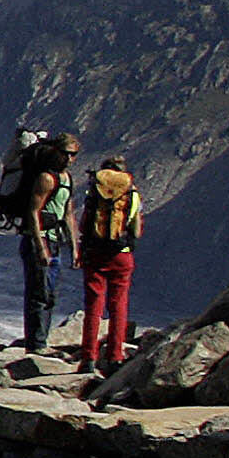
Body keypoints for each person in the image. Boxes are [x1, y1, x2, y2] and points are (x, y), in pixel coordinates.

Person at [6, 130, 79, 350]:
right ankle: (36, 343)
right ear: (56, 151)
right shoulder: (46, 178)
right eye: (66, 153)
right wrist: (40, 247)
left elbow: (68, 214)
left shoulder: (66, 179)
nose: (69, 159)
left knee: (49, 293)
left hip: (54, 242)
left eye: (73, 155)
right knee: (38, 293)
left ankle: (40, 338)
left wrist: (75, 247)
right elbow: (33, 212)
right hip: (40, 241)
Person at [81, 153, 143, 369]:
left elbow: (85, 224)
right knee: (118, 305)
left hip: (96, 254)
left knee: (93, 306)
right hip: (122, 254)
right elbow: (135, 229)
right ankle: (115, 355)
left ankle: (88, 357)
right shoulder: (132, 194)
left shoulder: (95, 192)